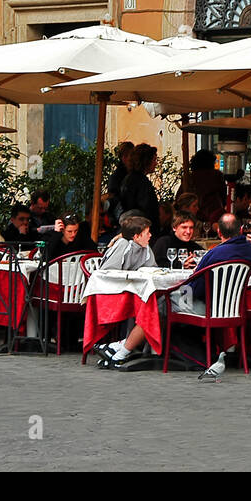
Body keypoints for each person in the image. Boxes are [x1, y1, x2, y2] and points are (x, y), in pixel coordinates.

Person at [94, 215, 159, 363]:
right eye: (147, 233)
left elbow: (152, 268)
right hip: (112, 293)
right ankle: (122, 349)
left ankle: (120, 346)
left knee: (154, 301)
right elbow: (108, 272)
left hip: (133, 290)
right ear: (136, 237)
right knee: (150, 305)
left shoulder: (145, 247)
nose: (150, 235)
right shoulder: (123, 245)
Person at [179, 213, 251, 309]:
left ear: (219, 232)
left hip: (209, 308)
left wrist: (181, 289)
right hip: (237, 308)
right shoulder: (250, 250)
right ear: (241, 230)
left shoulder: (213, 254)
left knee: (166, 300)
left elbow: (194, 290)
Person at [118, 144, 160, 231]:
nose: (156, 163)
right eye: (154, 160)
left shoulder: (131, 178)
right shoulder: (140, 181)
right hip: (140, 228)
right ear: (146, 161)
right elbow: (146, 208)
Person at [185, 149, 226, 223]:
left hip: (193, 212)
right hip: (213, 213)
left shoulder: (190, 177)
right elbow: (224, 195)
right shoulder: (216, 175)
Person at [106, 142, 135, 219]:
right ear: (124, 157)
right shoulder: (117, 177)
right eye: (131, 156)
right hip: (122, 218)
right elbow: (114, 199)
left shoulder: (133, 174)